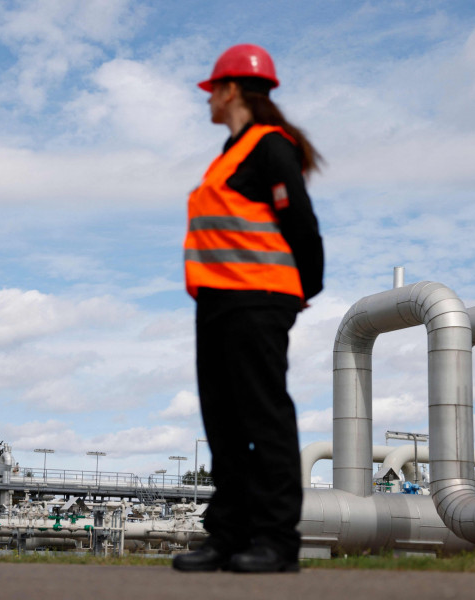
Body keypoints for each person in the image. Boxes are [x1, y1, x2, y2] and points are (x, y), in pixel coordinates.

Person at [173, 44, 324, 574]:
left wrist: (301, 291)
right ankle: (229, 536)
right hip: (216, 301)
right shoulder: (229, 154)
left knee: (264, 416)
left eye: (212, 90)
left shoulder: (269, 148)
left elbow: (303, 227)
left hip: (258, 301)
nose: (207, 100)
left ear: (231, 89)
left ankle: (276, 540)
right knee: (224, 424)